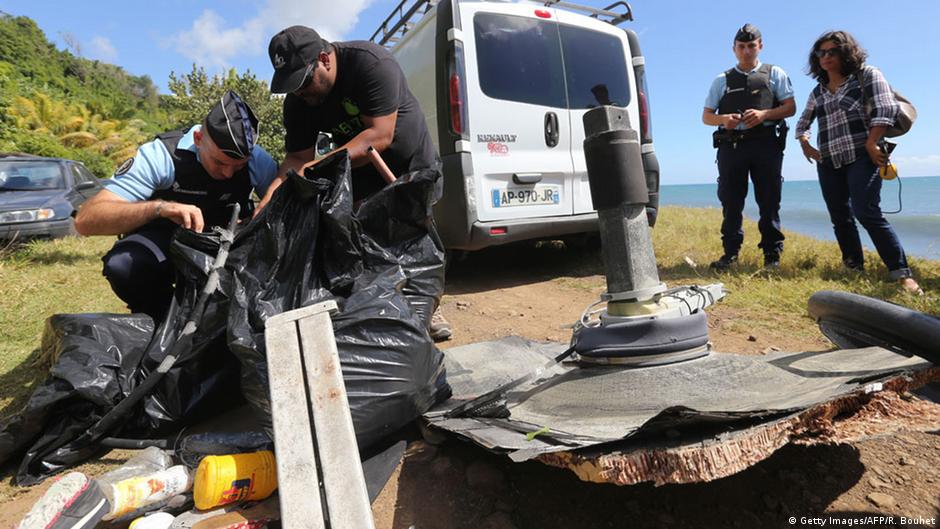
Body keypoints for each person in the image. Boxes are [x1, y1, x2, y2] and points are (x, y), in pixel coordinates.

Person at [259, 25, 452, 340]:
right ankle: (384, 310)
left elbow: (380, 135)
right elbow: (296, 159)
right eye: (292, 86)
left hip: (410, 167)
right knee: (368, 246)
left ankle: (426, 306)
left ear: (325, 59)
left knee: (415, 243)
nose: (299, 92)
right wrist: (268, 200)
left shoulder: (369, 63)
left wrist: (313, 168)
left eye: (304, 81)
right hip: (361, 174)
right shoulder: (298, 102)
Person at [75, 91, 278, 321]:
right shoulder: (161, 156)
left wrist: (255, 220)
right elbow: (86, 220)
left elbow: (283, 204)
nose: (227, 173)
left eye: (238, 167)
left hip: (226, 247)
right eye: (220, 162)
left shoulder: (257, 160)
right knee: (123, 265)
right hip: (167, 243)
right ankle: (162, 320)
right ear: (199, 139)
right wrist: (160, 208)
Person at [795, 31, 922, 295]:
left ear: (846, 52)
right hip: (829, 161)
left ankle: (902, 275)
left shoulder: (866, 75)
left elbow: (885, 109)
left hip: (863, 157)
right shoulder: (817, 91)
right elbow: (803, 122)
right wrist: (805, 143)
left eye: (832, 51)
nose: (826, 57)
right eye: (821, 53)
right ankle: (853, 267)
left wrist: (872, 142)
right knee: (840, 217)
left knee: (867, 212)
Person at [702, 24, 796, 269]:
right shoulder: (721, 80)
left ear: (760, 46)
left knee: (769, 200)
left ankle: (772, 256)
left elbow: (790, 107)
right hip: (732, 147)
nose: (746, 51)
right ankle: (730, 254)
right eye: (741, 47)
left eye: (751, 46)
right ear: (734, 49)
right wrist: (723, 119)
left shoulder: (775, 73)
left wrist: (765, 114)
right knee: (731, 201)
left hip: (766, 144)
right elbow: (706, 116)